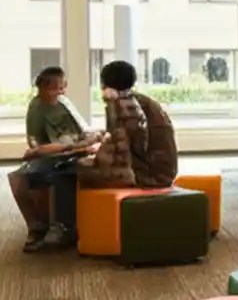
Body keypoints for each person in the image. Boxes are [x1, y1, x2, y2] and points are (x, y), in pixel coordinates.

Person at [10, 67, 101, 252]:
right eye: (57, 87)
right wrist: (73, 147)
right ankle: (38, 226)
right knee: (22, 177)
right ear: (43, 88)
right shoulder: (37, 109)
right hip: (56, 152)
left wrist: (89, 140)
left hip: (77, 149)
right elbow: (36, 146)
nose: (61, 91)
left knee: (34, 175)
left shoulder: (63, 102)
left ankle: (52, 226)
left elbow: (82, 128)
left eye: (63, 86)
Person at [76, 60, 179, 190]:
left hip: (149, 175)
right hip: (160, 171)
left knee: (73, 173)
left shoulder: (122, 105)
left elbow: (128, 148)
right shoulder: (139, 100)